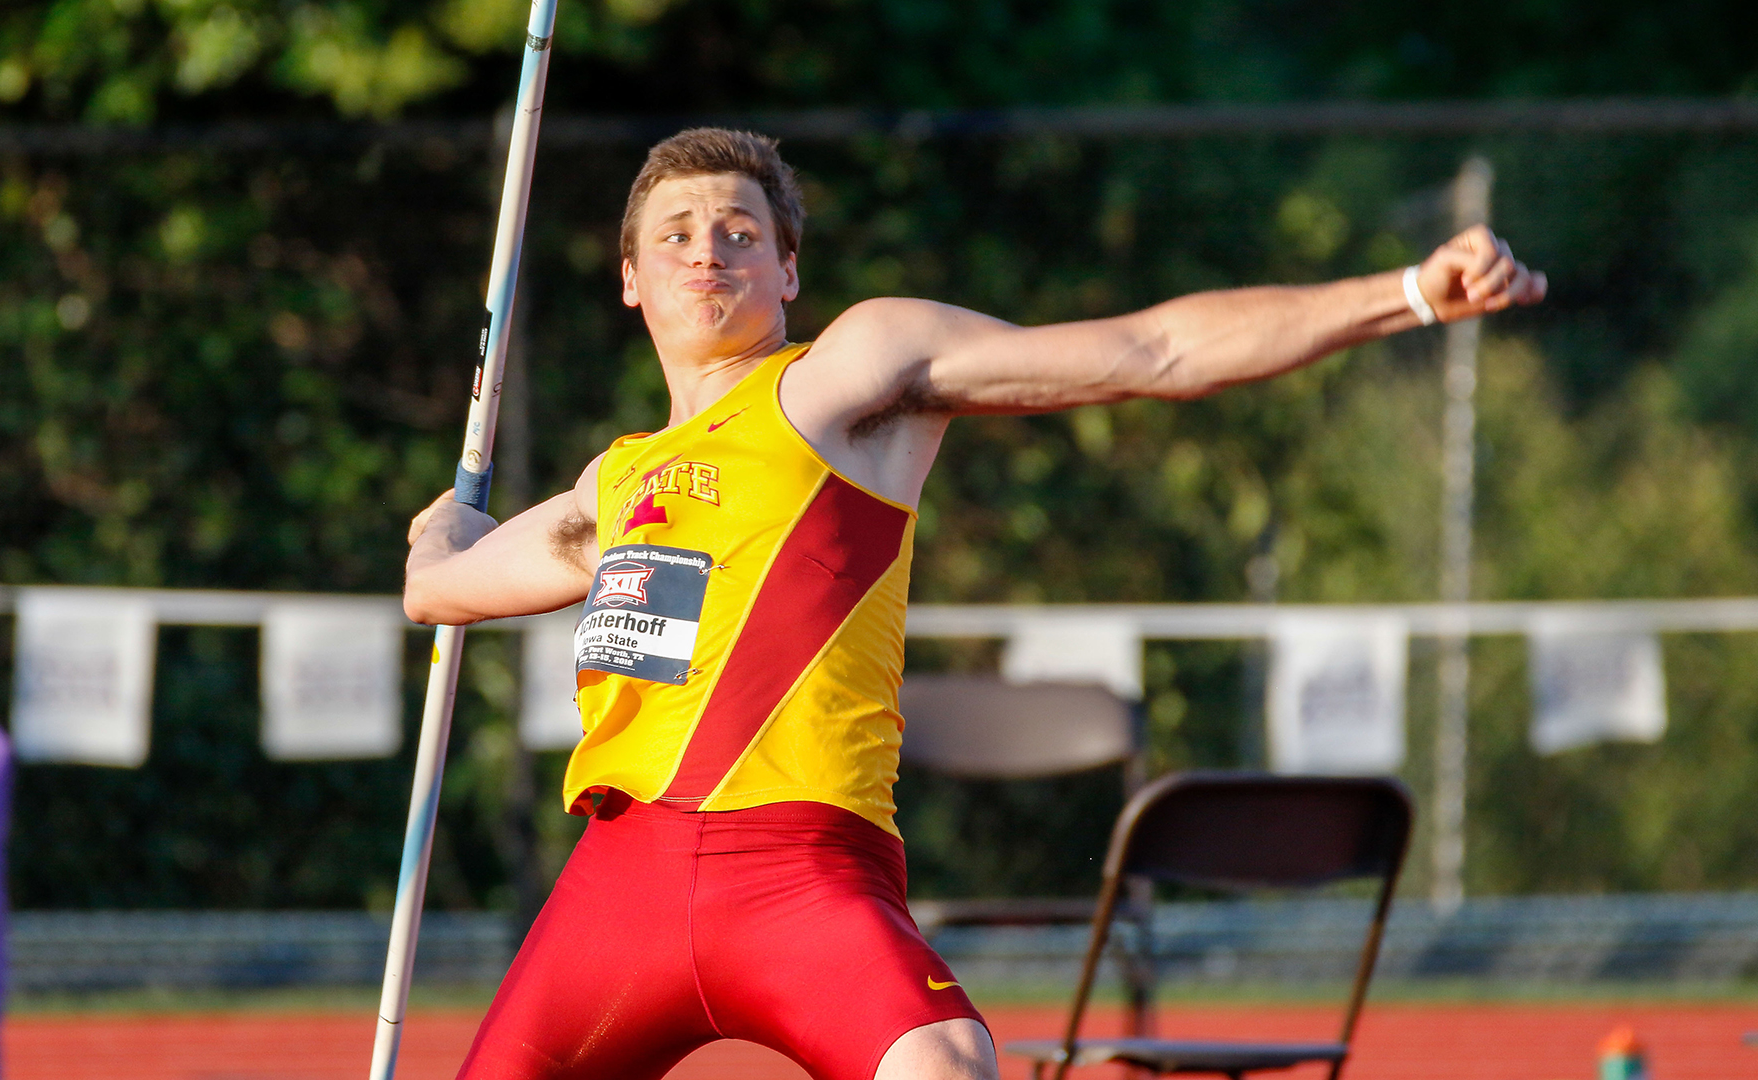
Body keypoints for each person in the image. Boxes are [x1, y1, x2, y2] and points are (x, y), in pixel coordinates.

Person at [404, 128, 1546, 1080]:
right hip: (623, 886)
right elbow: (438, 589)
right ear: (631, 279)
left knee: (945, 1065)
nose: (710, 253)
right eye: (678, 235)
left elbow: (1146, 350)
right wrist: (437, 527)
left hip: (800, 868)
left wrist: (1403, 296)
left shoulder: (850, 377)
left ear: (789, 272)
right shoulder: (611, 489)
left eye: (742, 233)